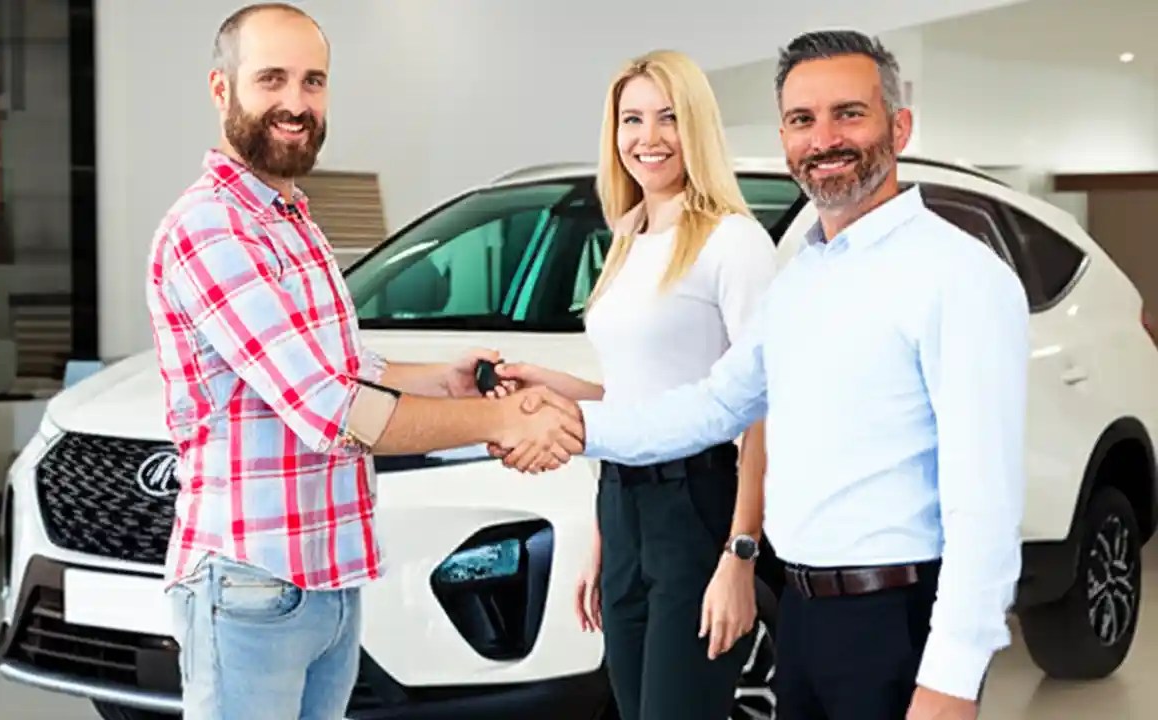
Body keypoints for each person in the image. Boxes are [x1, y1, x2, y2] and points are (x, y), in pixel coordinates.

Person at [500, 30, 1029, 720]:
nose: (824, 139)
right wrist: (575, 427)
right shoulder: (803, 276)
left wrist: (954, 677)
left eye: (849, 113)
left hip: (896, 619)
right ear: (785, 137)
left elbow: (984, 504)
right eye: (802, 120)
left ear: (899, 126)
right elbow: (717, 403)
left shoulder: (958, 276)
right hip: (807, 619)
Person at [144, 4, 582, 718]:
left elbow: (345, 365)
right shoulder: (210, 227)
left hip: (327, 574)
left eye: (313, 82)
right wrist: (501, 417)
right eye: (272, 79)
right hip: (252, 583)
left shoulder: (294, 222)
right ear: (222, 90)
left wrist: (438, 380)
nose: (296, 103)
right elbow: (333, 410)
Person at [488, 49, 777, 720]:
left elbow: (764, 406)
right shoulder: (627, 236)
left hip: (698, 509)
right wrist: (601, 539)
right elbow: (632, 398)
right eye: (632, 119)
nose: (648, 138)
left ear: (697, 127)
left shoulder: (733, 243)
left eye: (668, 118)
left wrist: (740, 558)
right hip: (622, 509)